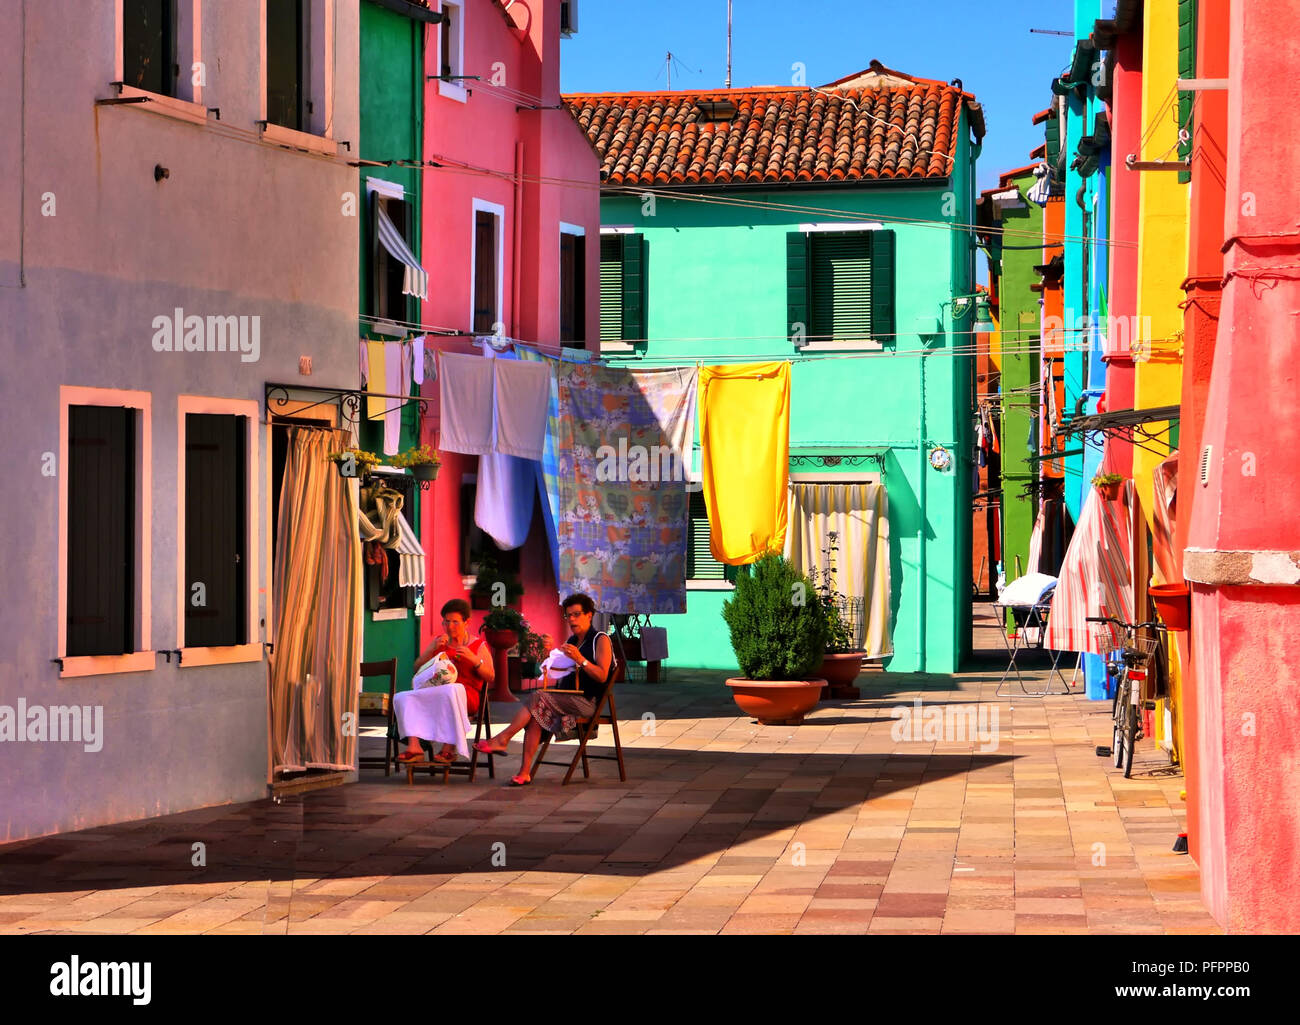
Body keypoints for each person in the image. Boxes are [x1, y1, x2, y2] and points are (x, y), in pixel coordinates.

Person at [473, 593, 612, 786]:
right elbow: (558, 672)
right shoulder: (572, 642)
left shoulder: (600, 639)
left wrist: (581, 659)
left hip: (587, 702)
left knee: (537, 697)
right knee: (535, 717)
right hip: (566, 697)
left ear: (589, 615)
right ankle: (524, 773)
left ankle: (503, 738)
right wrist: (551, 654)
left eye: (576, 614)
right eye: (568, 615)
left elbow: (602, 675)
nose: (571, 619)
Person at [394, 598, 494, 765]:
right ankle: (414, 747)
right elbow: (417, 668)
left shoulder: (477, 645)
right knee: (403, 696)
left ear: (466, 622)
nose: (450, 626)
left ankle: (449, 747)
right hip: (437, 691)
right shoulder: (440, 643)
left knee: (451, 690)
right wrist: (430, 649)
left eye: (455, 622)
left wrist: (474, 659)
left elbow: (490, 677)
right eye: (446, 622)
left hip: (466, 695)